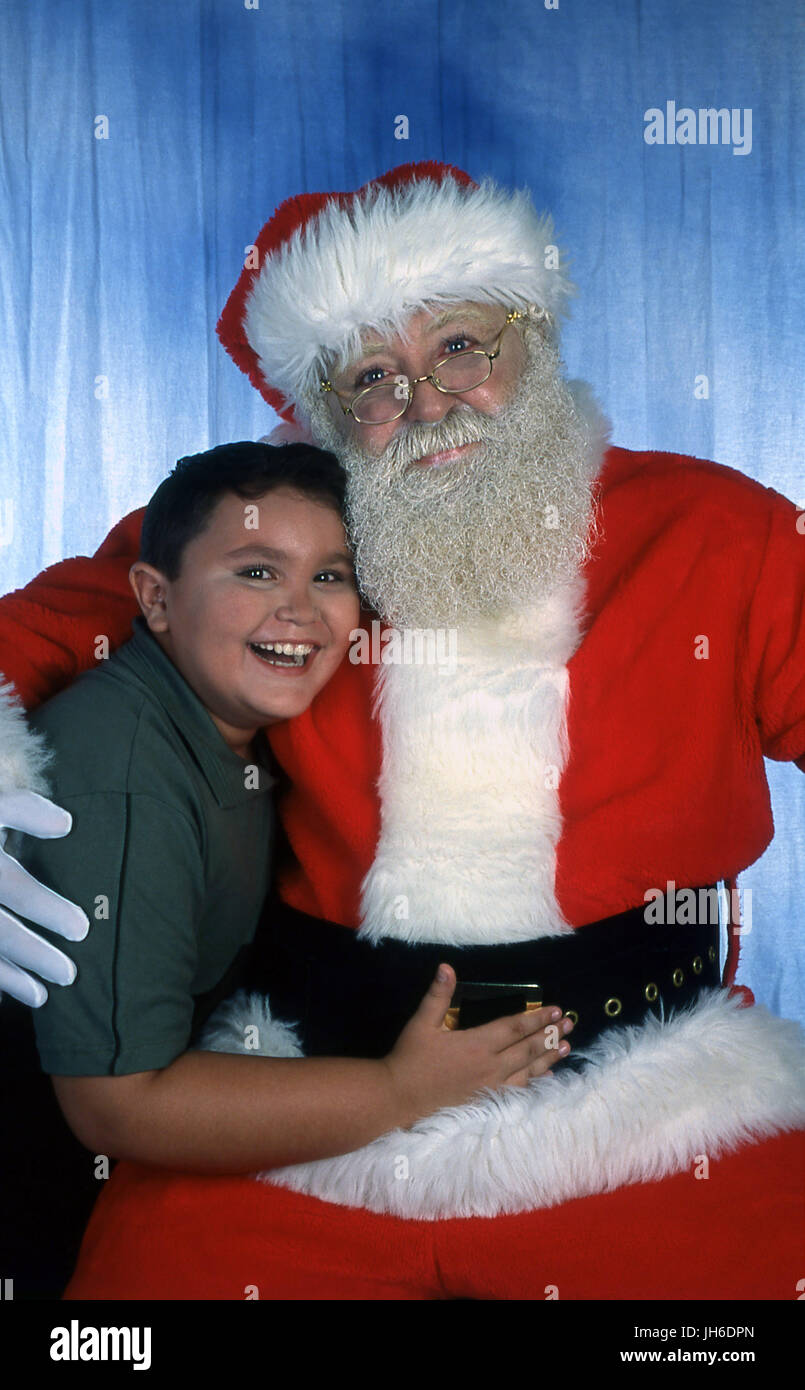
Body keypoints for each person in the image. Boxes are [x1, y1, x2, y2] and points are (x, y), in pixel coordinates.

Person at [0, 161, 803, 1301]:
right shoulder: (277, 532)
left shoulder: (716, 531)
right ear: (326, 410)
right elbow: (63, 622)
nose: (427, 404)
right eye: (374, 376)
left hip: (655, 1104)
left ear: (534, 336)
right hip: (300, 1102)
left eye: (462, 348)